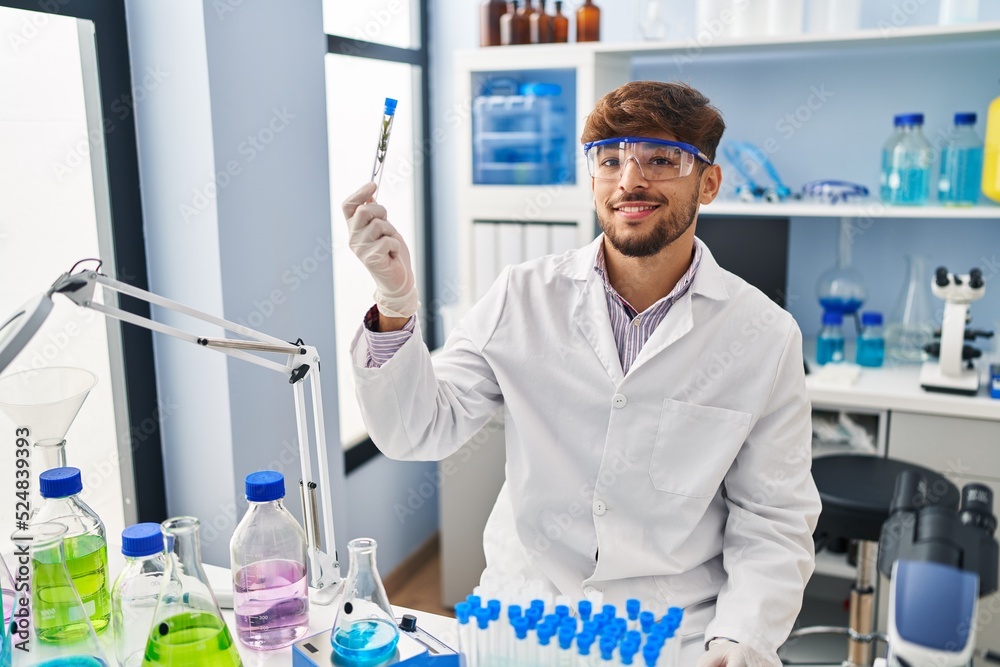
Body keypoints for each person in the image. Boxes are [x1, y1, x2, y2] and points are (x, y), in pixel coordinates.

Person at [344, 81, 821, 667]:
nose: (629, 180)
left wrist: (738, 642)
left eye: (660, 159)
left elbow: (773, 521)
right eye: (610, 159)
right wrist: (395, 303)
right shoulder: (522, 296)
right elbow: (415, 430)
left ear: (710, 182)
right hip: (525, 622)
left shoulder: (764, 336)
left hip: (672, 637)